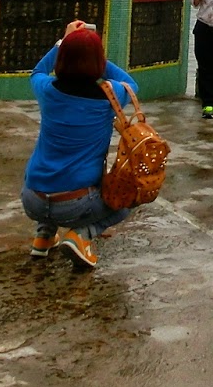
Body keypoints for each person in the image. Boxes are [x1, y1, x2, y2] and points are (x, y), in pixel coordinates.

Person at [21, 20, 138, 271]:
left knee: (44, 165)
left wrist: (63, 43)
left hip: (33, 200)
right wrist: (94, 59)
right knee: (128, 198)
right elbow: (132, 84)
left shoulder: (47, 90)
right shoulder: (111, 94)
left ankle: (44, 235)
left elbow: (37, 72)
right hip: (75, 205)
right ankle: (82, 235)